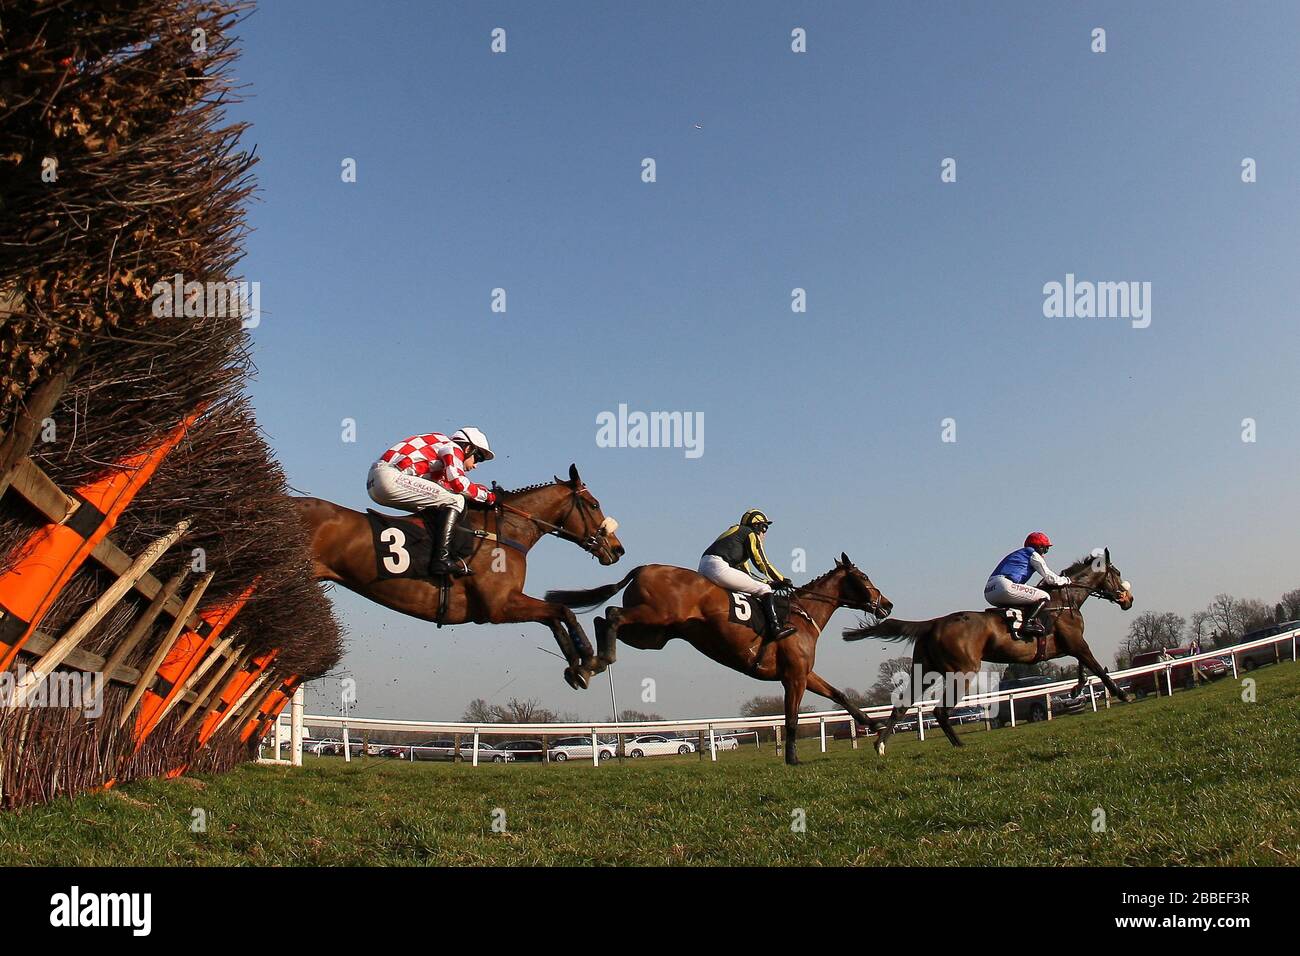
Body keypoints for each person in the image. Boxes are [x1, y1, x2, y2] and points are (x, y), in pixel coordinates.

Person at [366, 427, 496, 577]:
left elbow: (446, 486)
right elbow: (458, 484)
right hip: (389, 478)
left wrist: (481, 492)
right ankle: (441, 559)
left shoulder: (439, 448)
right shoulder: (452, 447)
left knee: (440, 504)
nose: (475, 465)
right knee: (456, 500)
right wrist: (490, 497)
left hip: (376, 481)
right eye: (478, 458)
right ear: (468, 448)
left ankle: (423, 550)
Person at [699, 509, 796, 639]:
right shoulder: (750, 533)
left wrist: (769, 582)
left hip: (705, 565)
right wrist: (782, 579)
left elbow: (746, 574)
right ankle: (775, 628)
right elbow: (761, 562)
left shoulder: (737, 538)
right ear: (757, 526)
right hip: (718, 566)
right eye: (765, 528)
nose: (764, 534)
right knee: (764, 589)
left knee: (753, 589)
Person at [985, 531, 1071, 639]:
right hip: (1003, 586)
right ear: (1038, 546)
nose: (1045, 552)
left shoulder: (1019, 554)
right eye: (1045, 548)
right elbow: (1050, 578)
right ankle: (1028, 624)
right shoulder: (1033, 554)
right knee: (1045, 596)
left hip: (989, 592)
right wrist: (1066, 580)